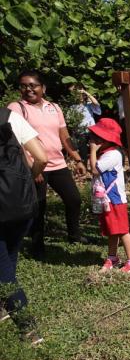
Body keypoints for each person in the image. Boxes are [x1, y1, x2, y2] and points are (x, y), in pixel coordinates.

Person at [8, 70, 88, 257]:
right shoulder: (17, 108)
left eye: (33, 85)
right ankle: (37, 245)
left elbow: (64, 135)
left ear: (42, 88)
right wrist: (33, 168)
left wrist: (77, 159)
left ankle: (74, 235)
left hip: (58, 163)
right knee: (39, 206)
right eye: (24, 85)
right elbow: (17, 142)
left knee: (73, 199)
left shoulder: (54, 107)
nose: (28, 89)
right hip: (36, 165)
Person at [0, 108, 48, 344]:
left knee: (4, 273)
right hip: (19, 205)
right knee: (9, 258)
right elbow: (41, 157)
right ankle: (4, 307)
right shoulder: (10, 117)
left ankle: (28, 328)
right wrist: (28, 179)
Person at [88, 118, 130, 274]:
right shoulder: (105, 153)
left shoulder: (112, 155)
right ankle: (113, 257)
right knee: (112, 230)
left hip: (115, 200)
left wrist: (92, 151)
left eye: (97, 137)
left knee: (122, 230)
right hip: (107, 200)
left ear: (106, 139)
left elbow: (95, 170)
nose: (93, 140)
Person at [68, 84, 102, 163]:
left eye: (80, 94)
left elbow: (96, 103)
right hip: (80, 132)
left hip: (91, 131)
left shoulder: (89, 105)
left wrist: (85, 92)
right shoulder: (72, 107)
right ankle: (85, 168)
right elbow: (70, 121)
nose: (78, 96)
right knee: (83, 152)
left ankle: (98, 166)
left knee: (95, 150)